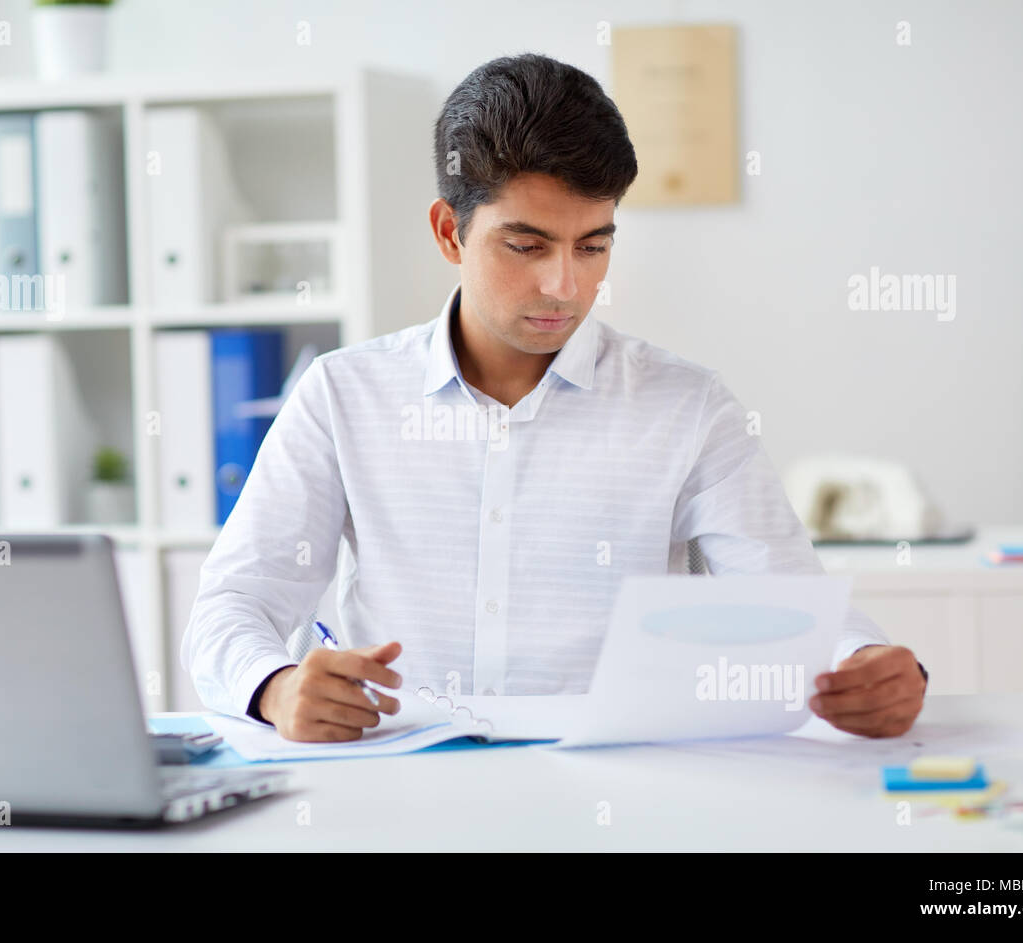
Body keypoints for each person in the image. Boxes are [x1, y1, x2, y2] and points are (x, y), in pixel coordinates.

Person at [182, 53, 927, 743]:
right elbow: (230, 607)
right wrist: (274, 687)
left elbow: (787, 605)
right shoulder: (343, 396)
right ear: (450, 231)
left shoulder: (689, 407)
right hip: (402, 779)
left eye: (592, 245)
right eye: (527, 245)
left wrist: (872, 662)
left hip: (621, 784)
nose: (564, 286)